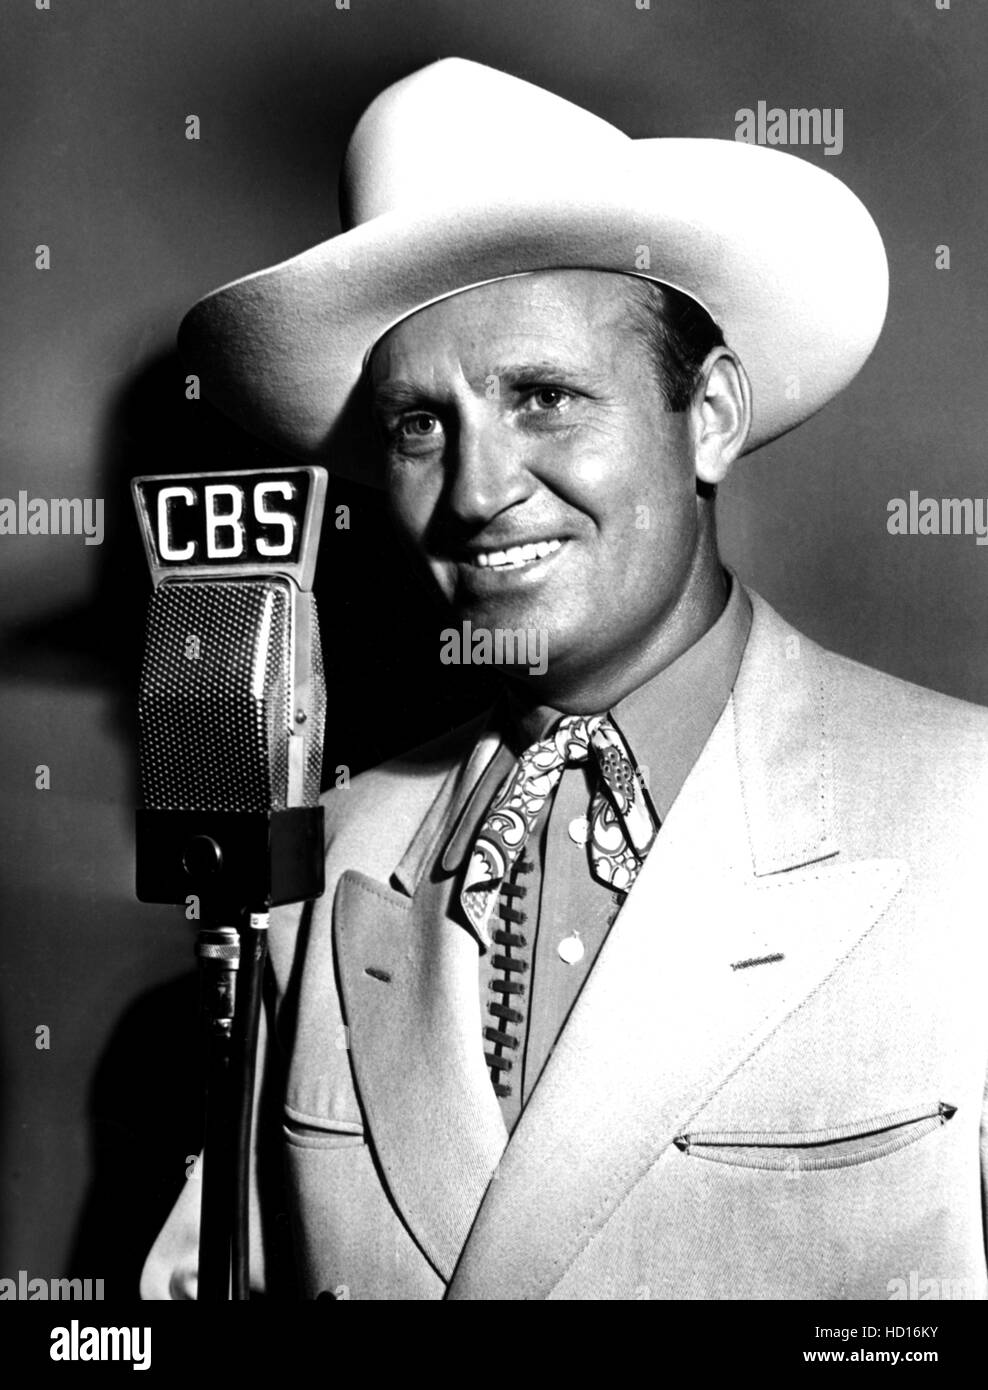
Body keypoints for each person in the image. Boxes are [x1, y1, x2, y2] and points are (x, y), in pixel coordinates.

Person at [141, 58, 988, 1301]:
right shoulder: (318, 861)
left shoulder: (966, 816)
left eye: (541, 397)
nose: (476, 494)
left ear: (707, 417)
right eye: (419, 426)